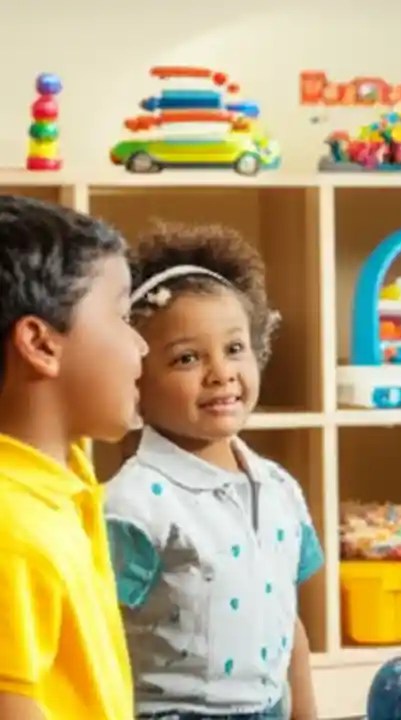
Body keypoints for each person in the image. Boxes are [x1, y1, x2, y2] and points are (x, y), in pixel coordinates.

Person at [103, 223, 323, 719]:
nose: (220, 372)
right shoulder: (133, 504)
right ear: (135, 377)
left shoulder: (279, 488)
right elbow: (98, 639)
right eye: (187, 358)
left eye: (234, 348)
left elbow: (292, 628)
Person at [0, 195, 146, 719]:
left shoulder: (61, 472)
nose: (141, 346)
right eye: (123, 315)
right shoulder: (12, 529)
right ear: (41, 343)